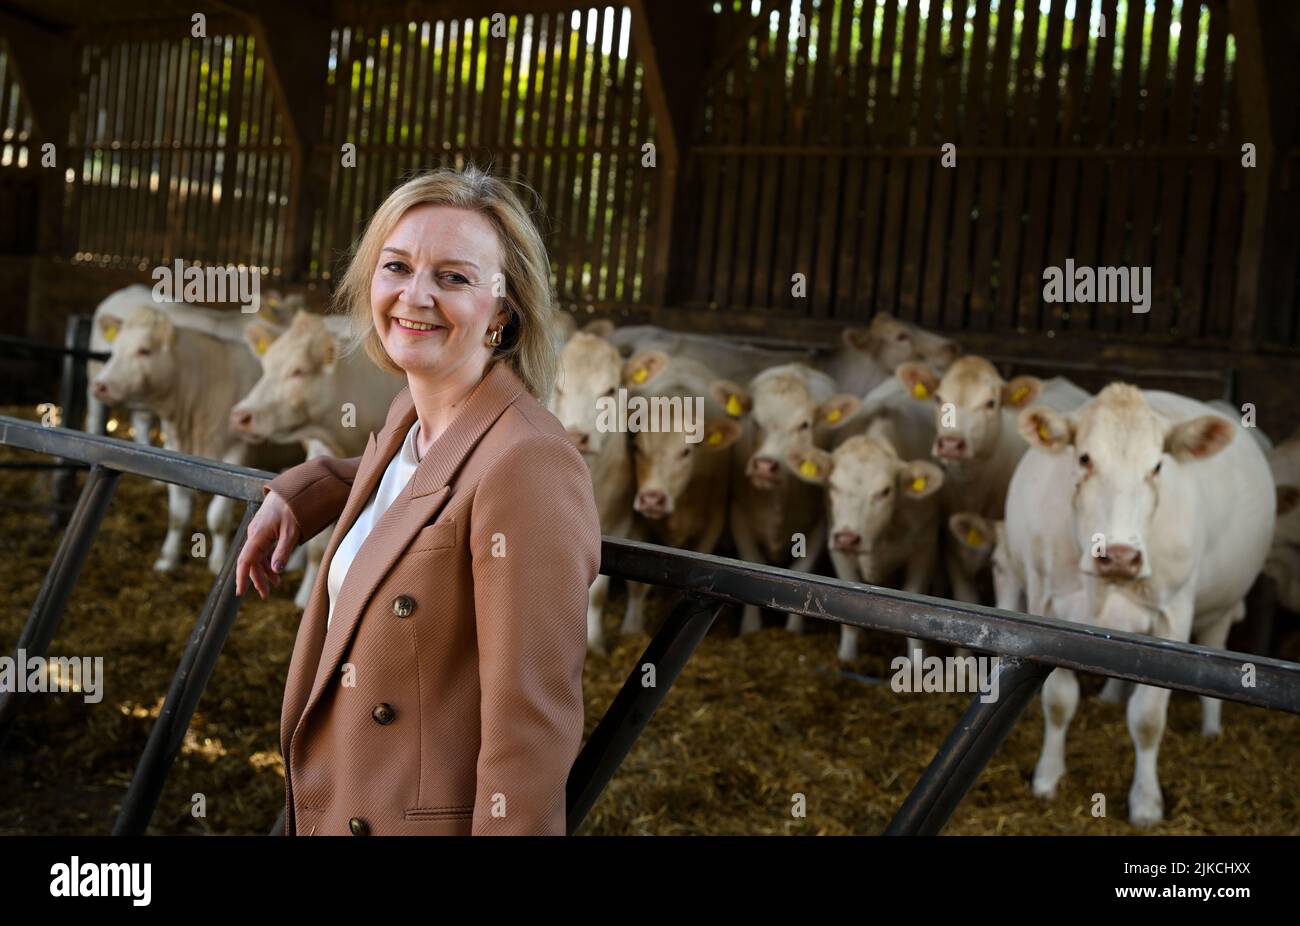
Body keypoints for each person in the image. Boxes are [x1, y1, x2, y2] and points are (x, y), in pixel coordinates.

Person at [234, 165, 601, 836]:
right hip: (332, 802)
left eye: (454, 278)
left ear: (504, 310)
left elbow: (530, 730)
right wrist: (304, 489)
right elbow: (414, 491)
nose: (415, 296)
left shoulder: (532, 464)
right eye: (396, 266)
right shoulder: (410, 418)